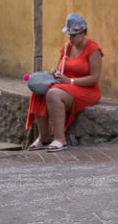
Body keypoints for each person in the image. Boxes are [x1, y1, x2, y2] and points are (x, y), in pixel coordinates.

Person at [25, 13, 103, 152]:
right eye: (69, 35)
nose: (71, 38)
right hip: (67, 86)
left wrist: (70, 81)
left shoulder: (93, 49)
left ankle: (60, 139)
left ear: (83, 32)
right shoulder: (67, 48)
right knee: (38, 92)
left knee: (53, 94)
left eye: (74, 35)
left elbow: (94, 78)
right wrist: (56, 71)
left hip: (86, 89)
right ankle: (44, 137)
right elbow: (62, 67)